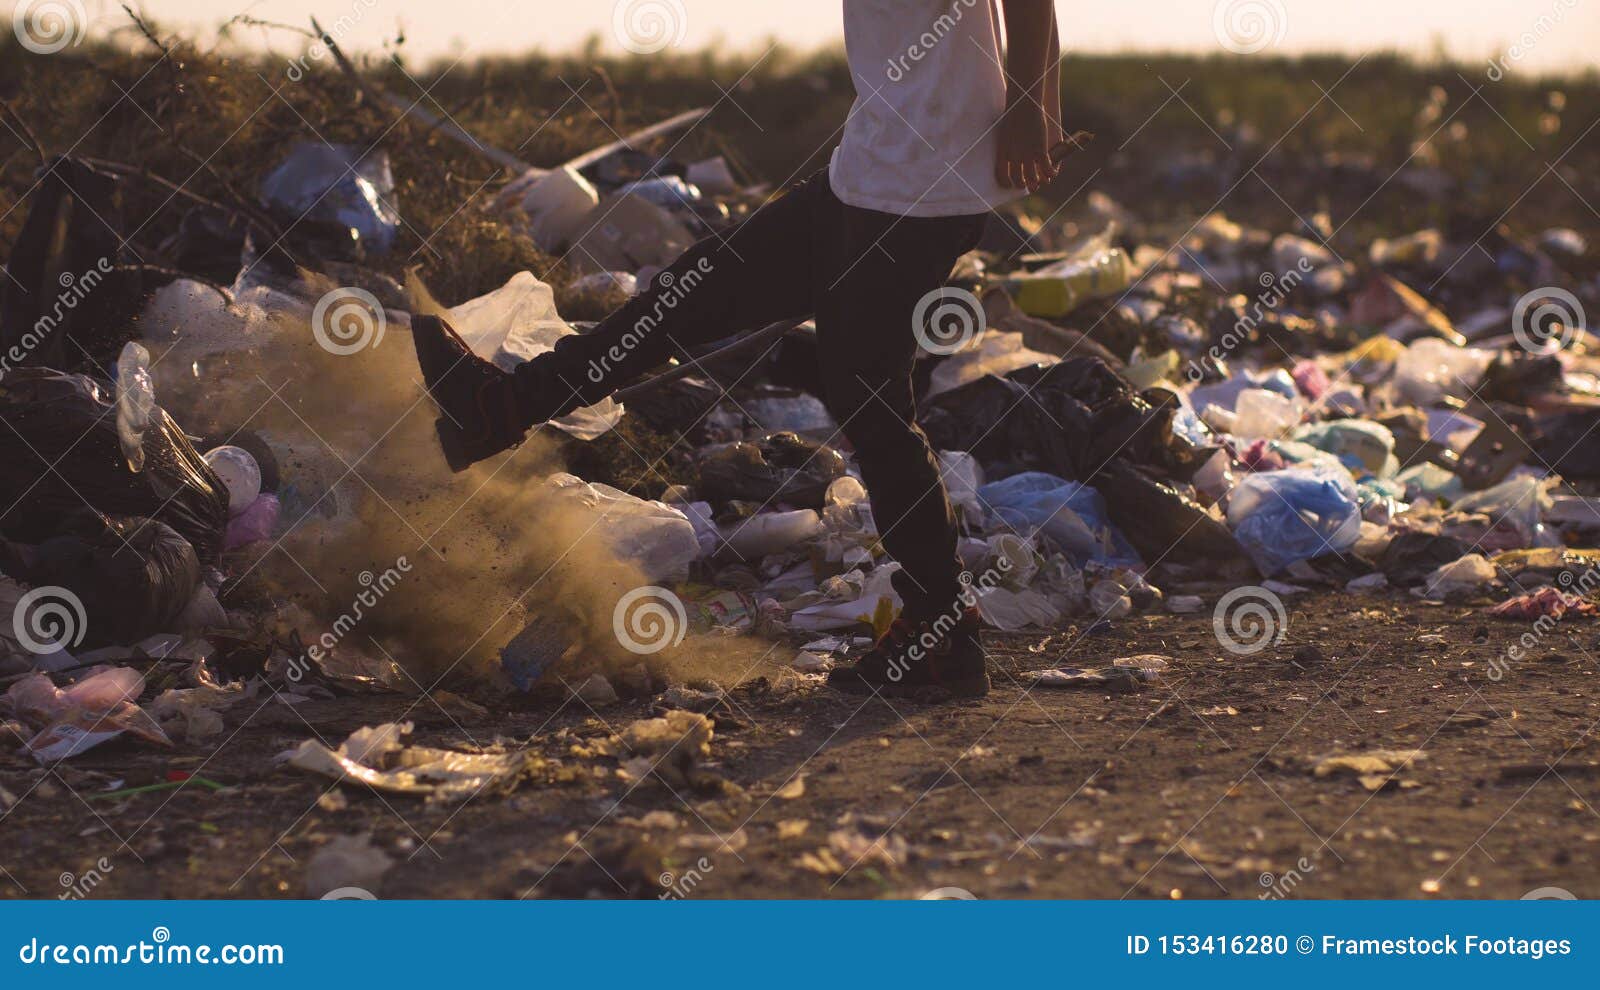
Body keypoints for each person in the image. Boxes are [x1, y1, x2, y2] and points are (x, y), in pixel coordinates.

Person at [412, 0, 1064, 699]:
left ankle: (942, 636)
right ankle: (504, 405)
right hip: (868, 170)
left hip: (921, 187)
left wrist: (1033, 109)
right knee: (692, 291)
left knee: (868, 401)